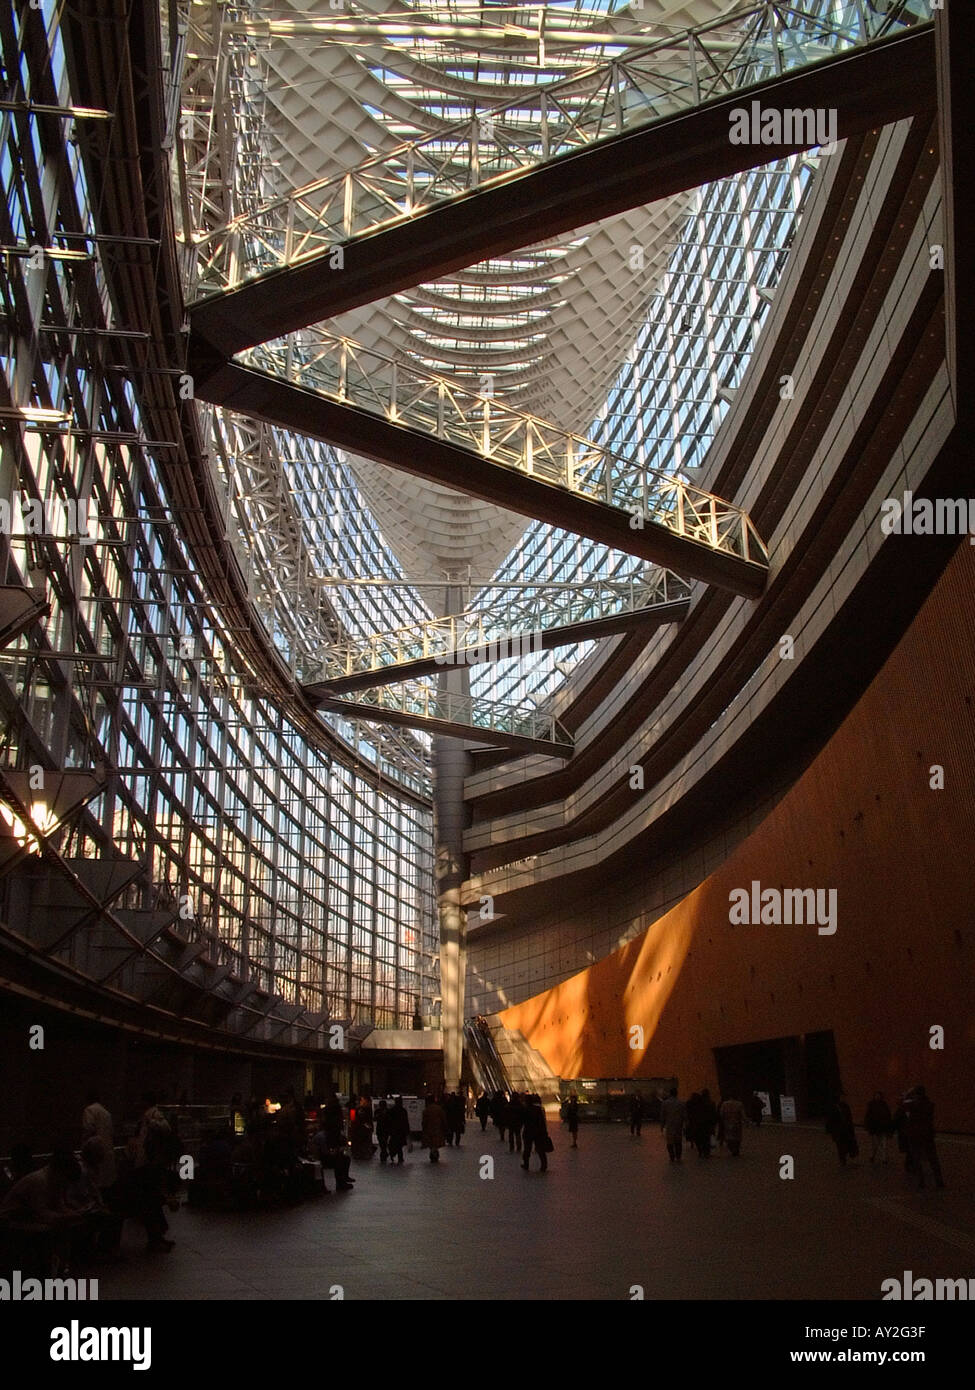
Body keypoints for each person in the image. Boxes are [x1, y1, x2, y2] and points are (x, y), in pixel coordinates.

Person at [894, 1085, 945, 1190]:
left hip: (914, 1135)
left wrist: (907, 1093)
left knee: (916, 1159)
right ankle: (939, 1181)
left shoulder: (912, 1104)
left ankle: (921, 1182)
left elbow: (900, 1103)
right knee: (933, 1158)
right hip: (927, 1134)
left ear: (915, 1094)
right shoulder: (930, 1104)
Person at [313, 1096, 354, 1190]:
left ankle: (342, 1180)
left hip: (329, 1148)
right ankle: (341, 1182)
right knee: (340, 1160)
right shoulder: (327, 1133)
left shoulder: (328, 1117)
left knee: (343, 1158)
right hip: (326, 1154)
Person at [825, 1093, 858, 1166]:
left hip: (846, 1130)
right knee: (840, 1146)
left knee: (846, 1144)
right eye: (842, 1097)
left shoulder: (846, 1106)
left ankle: (844, 1158)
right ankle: (842, 1160)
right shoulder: (835, 1107)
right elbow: (830, 1119)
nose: (844, 1099)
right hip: (839, 1131)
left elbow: (849, 1118)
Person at [521, 1094, 550, 1172]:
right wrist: (544, 1131)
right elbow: (541, 1122)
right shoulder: (537, 1109)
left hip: (528, 1132)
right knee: (540, 1149)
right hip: (538, 1132)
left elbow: (522, 1121)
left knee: (527, 1149)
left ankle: (526, 1164)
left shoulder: (525, 1109)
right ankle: (544, 1165)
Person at [864, 1091, 893, 1165]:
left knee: (883, 1145)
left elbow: (888, 1116)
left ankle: (884, 1158)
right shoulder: (872, 1105)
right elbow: (868, 1116)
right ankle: (874, 1156)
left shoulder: (884, 1105)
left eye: (878, 1095)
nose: (878, 1097)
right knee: (875, 1144)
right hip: (875, 1128)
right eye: (876, 1095)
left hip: (882, 1128)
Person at [660, 1087, 686, 1163]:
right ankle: (678, 1156)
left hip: (669, 1125)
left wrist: (662, 1125)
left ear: (670, 1094)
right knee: (678, 1142)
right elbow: (684, 1115)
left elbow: (662, 1115)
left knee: (670, 1142)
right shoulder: (681, 1103)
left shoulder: (665, 1103)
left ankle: (672, 1156)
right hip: (679, 1125)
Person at [421, 1093, 447, 1163]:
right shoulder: (439, 1109)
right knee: (435, 1143)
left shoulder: (426, 1110)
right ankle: (434, 1153)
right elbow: (443, 1119)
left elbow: (424, 1121)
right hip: (437, 1129)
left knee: (431, 1143)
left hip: (429, 1129)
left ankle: (433, 1153)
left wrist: (423, 1128)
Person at [387, 1096, 411, 1165]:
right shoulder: (403, 1111)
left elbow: (389, 1121)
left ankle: (393, 1154)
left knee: (394, 1143)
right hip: (401, 1130)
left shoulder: (392, 1110)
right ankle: (399, 1156)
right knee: (399, 1144)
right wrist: (407, 1131)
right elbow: (405, 1121)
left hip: (394, 1130)